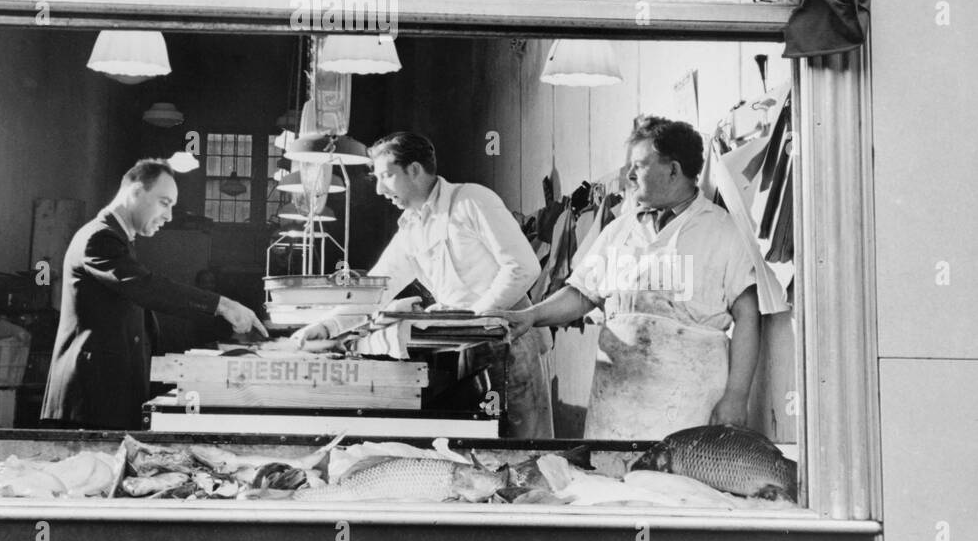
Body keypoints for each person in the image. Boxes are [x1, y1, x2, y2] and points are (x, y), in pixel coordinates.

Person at [506, 116, 760, 438]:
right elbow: (582, 294)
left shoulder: (723, 231)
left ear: (673, 170)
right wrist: (531, 316)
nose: (628, 175)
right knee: (611, 484)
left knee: (677, 486)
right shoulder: (619, 230)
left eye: (639, 165)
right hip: (616, 404)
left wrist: (737, 396)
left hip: (688, 406)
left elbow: (748, 315)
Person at [292, 132, 553, 439]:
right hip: (468, 343)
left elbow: (523, 267)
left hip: (511, 336)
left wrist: (474, 320)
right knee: (487, 447)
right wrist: (328, 325)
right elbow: (379, 287)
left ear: (414, 170)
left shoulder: (471, 200)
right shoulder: (412, 227)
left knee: (526, 444)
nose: (378, 189)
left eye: (386, 176)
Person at [41, 160, 266, 429]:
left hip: (110, 398)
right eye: (164, 202)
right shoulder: (98, 238)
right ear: (135, 192)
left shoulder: (118, 240)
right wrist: (222, 305)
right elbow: (148, 288)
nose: (169, 216)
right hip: (89, 402)